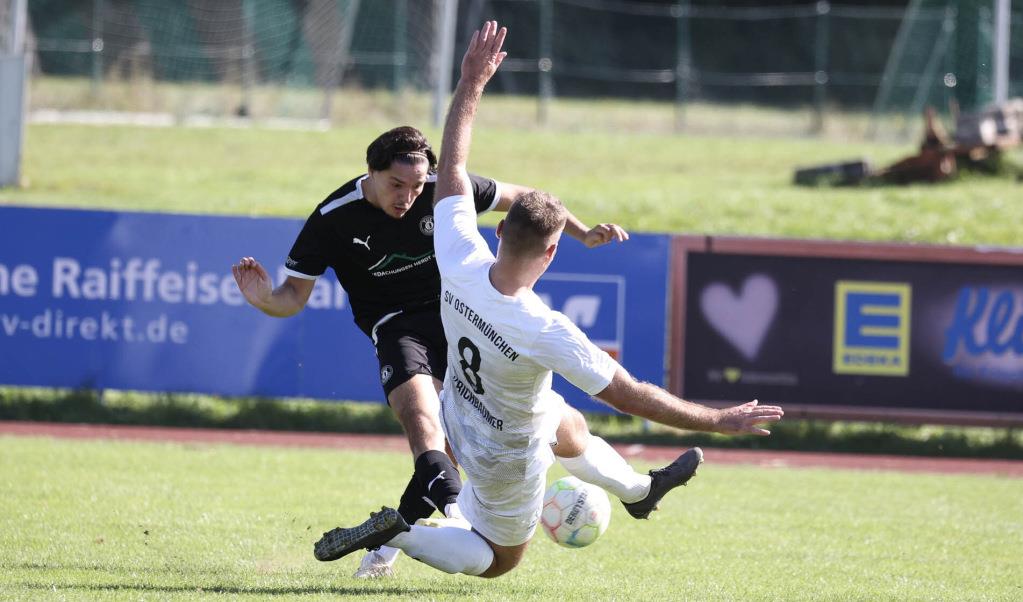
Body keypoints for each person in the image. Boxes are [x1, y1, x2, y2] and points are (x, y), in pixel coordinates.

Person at [312, 21, 785, 579]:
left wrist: (470, 83)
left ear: (497, 232)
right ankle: (405, 534)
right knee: (497, 561)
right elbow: (633, 396)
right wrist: (718, 419)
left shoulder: (459, 259)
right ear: (553, 251)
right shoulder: (546, 330)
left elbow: (455, 168)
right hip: (506, 453)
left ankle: (640, 491)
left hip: (460, 410)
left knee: (569, 427)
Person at [232, 125, 628, 578]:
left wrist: (582, 234)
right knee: (422, 419)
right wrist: (263, 298)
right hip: (397, 327)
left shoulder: (443, 191)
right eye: (395, 184)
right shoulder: (333, 217)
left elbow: (527, 199)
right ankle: (450, 516)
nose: (407, 196)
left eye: (417, 186)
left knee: (472, 434)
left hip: (459, 317)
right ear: (371, 172)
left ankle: (386, 546)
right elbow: (292, 297)